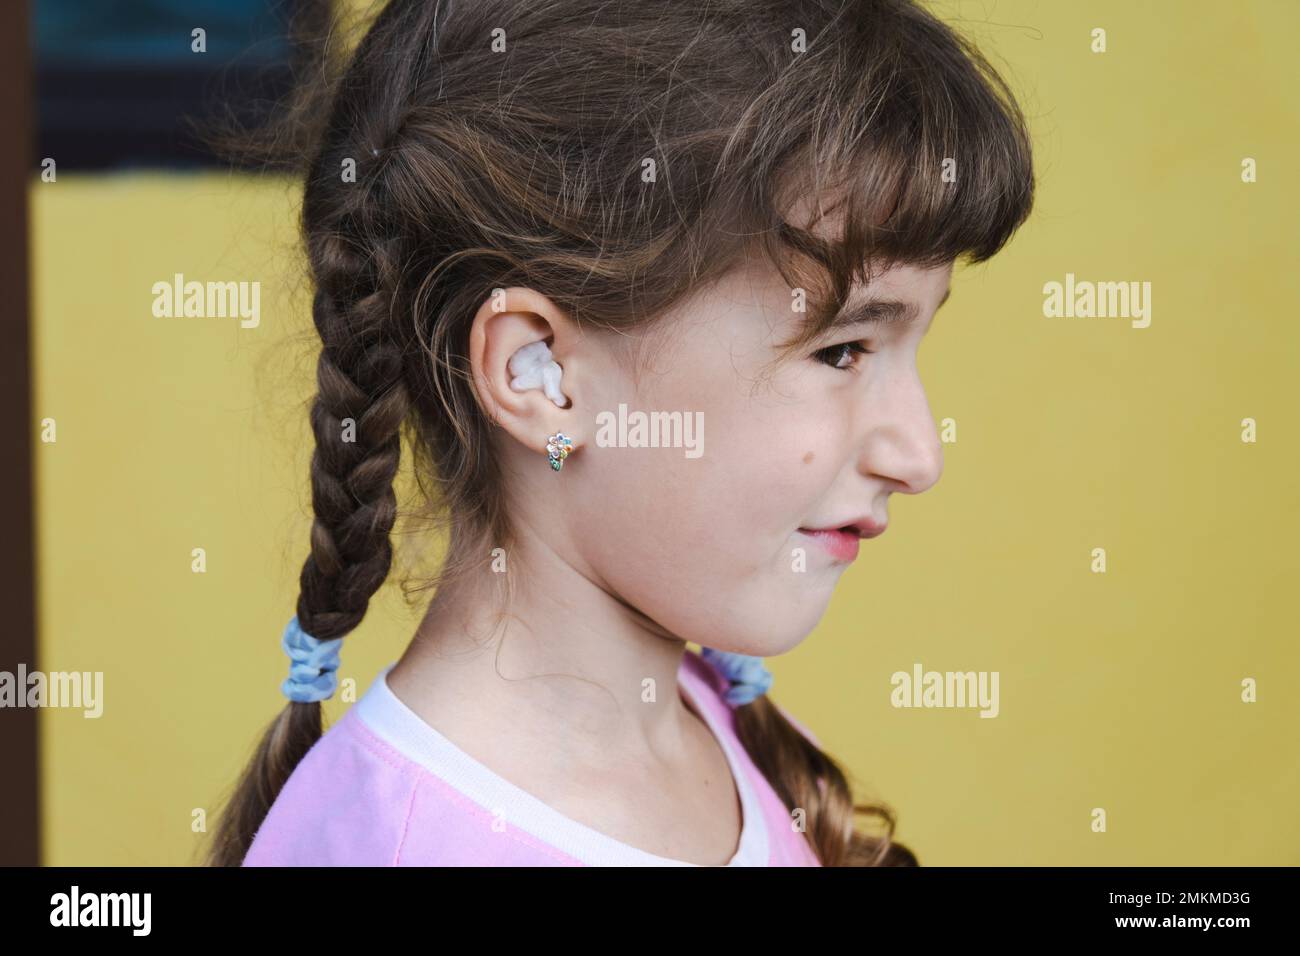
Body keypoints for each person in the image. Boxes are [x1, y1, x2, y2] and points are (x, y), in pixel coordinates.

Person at [210, 0, 1035, 867]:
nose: (920, 456)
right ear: (543, 379)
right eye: (842, 351)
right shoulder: (394, 848)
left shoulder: (725, 729)